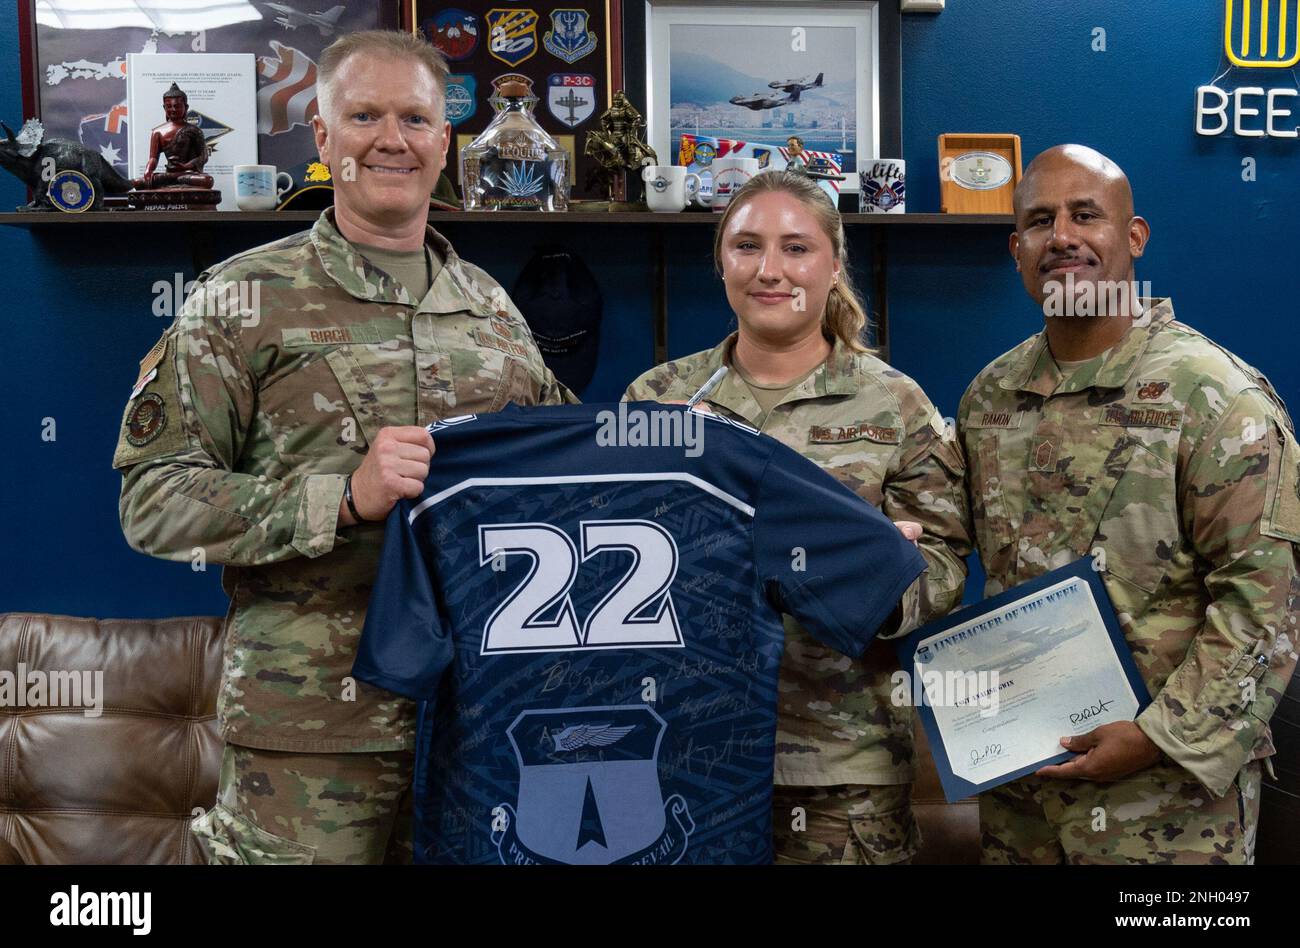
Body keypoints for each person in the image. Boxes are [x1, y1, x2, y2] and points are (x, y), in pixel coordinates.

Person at [113, 30, 576, 865]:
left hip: (481, 723)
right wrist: (341, 496)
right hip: (311, 734)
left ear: (444, 141)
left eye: (414, 118)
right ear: (323, 138)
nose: (390, 139)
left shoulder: (494, 309)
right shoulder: (240, 299)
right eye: (363, 115)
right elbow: (153, 500)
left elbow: (569, 469)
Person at [959, 143, 1300, 864]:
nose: (1062, 238)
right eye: (1040, 221)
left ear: (1134, 236)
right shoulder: (989, 398)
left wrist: (1154, 736)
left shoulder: (1214, 396)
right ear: (1015, 246)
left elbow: (1265, 609)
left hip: (1167, 811)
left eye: (1087, 215)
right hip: (1022, 798)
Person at [623, 169, 973, 864]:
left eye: (796, 248)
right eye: (747, 246)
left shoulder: (894, 404)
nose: (770, 270)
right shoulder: (658, 400)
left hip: (843, 764)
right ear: (721, 260)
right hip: (687, 747)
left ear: (833, 265)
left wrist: (874, 571)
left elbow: (945, 569)